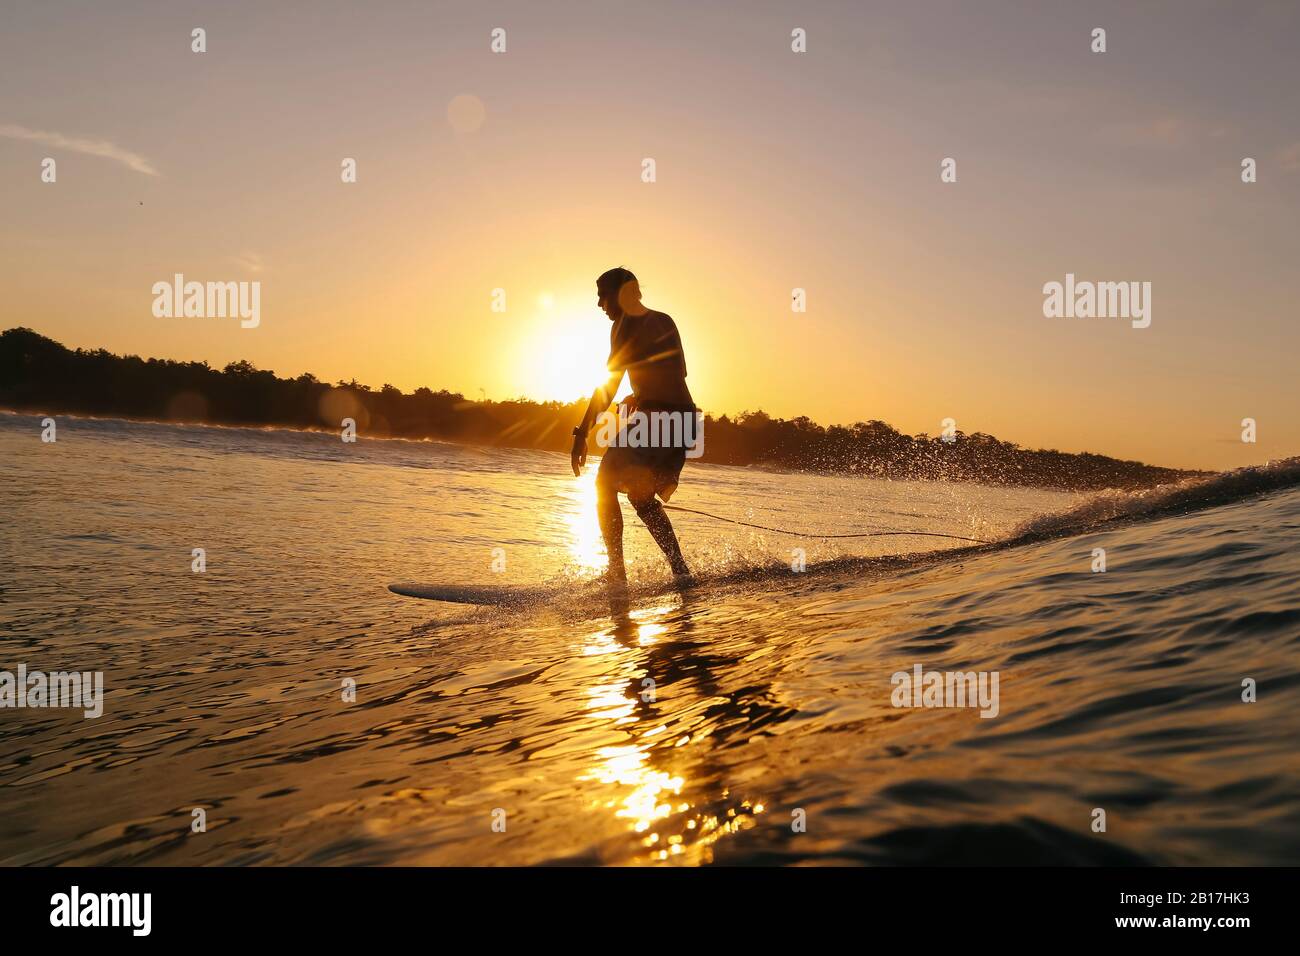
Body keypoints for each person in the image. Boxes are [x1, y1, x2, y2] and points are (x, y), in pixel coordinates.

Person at [571, 267, 695, 584]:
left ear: (621, 294)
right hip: (683, 420)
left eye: (603, 295)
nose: (600, 304)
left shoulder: (624, 325)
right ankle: (681, 571)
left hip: (658, 420)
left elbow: (608, 385)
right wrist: (639, 395)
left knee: (603, 485)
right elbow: (674, 373)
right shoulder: (665, 319)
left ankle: (616, 573)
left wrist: (582, 432)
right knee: (640, 499)